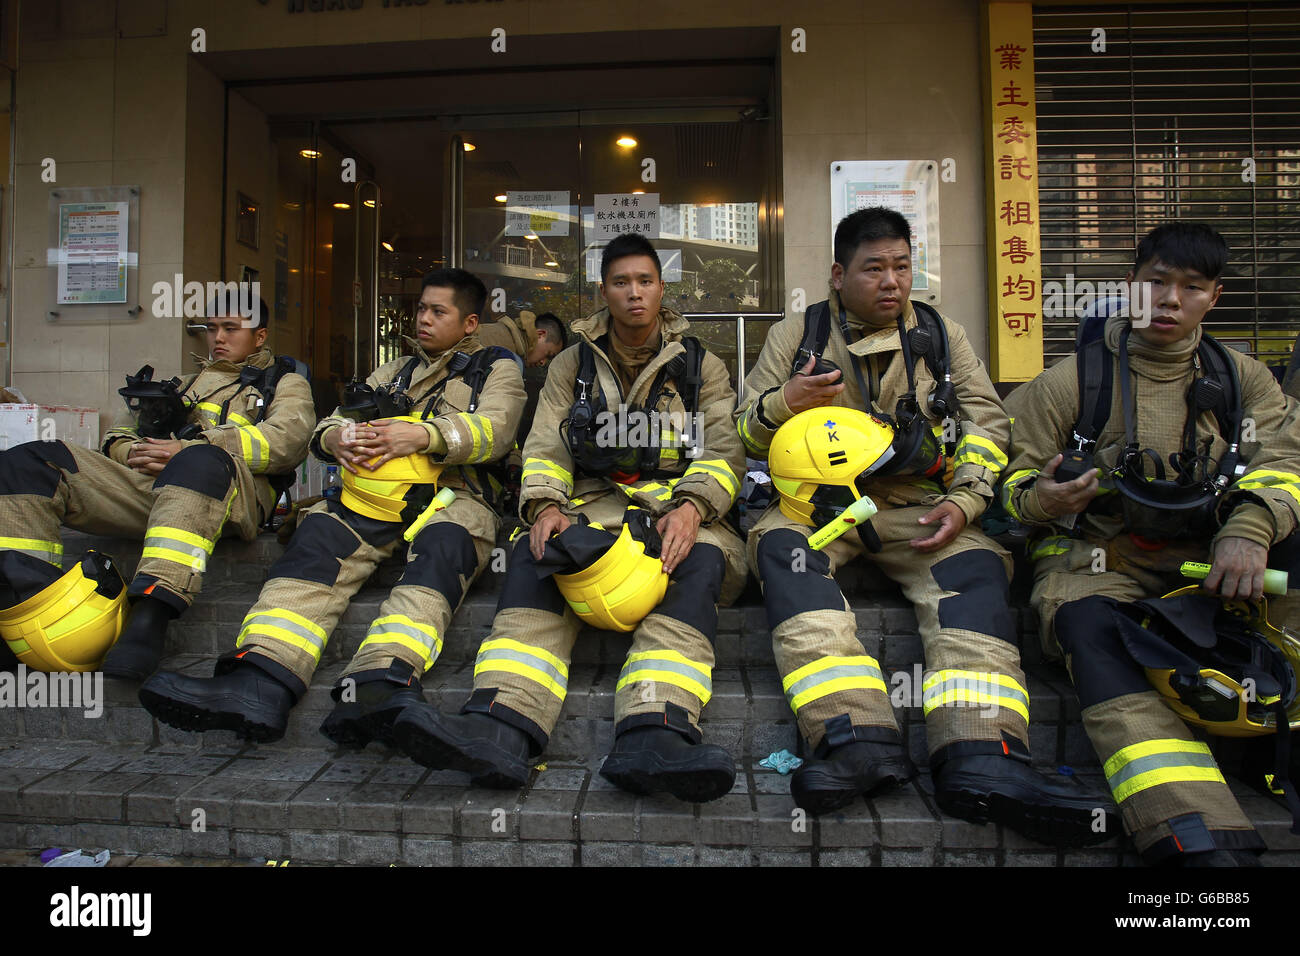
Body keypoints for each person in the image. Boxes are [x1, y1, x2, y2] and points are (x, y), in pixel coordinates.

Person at [734, 206, 1113, 845]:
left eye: (902, 267)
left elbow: (989, 426)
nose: (892, 282)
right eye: (874, 268)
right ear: (837, 273)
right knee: (783, 553)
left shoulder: (941, 335)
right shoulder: (796, 335)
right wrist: (782, 404)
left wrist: (966, 501)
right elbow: (744, 429)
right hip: (819, 506)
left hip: (921, 507)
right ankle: (857, 739)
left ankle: (982, 754)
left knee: (975, 572)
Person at [391, 233, 749, 803]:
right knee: (538, 554)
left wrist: (693, 507)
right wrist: (546, 506)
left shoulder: (702, 366)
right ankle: (500, 721)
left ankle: (656, 730)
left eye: (645, 281)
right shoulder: (569, 364)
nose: (634, 294)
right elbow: (545, 447)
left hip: (681, 516)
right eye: (620, 282)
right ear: (602, 291)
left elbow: (725, 450)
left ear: (662, 288)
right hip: (591, 511)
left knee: (699, 562)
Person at [1003, 222, 1300, 865]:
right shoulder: (1069, 383)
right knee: (1091, 631)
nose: (1169, 301)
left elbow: (1283, 463)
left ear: (1213, 299)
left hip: (1217, 560)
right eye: (1157, 282)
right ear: (1130, 287)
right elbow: (1014, 482)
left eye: (1191, 288)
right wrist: (1042, 500)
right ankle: (1194, 829)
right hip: (1097, 562)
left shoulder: (1245, 381)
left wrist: (1248, 530)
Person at [136, 269, 526, 745]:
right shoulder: (392, 371)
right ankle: (258, 678)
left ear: (468, 323)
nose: (423, 319)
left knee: (444, 551)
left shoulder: (497, 366)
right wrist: (336, 438)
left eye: (437, 312)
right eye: (421, 308)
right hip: (370, 498)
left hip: (456, 497)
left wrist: (425, 434)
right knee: (315, 541)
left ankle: (379, 684)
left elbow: (498, 429)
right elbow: (330, 422)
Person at [0, 294, 314, 679]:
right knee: (30, 460)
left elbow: (288, 442)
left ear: (260, 335)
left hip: (233, 498)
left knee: (198, 460)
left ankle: (150, 615)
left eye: (231, 329)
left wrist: (192, 447)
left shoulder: (285, 383)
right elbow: (116, 435)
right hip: (151, 491)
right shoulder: (177, 385)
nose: (217, 337)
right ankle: (23, 602)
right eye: (211, 328)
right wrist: (137, 451)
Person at [476, 309, 567, 368]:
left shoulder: (504, 337)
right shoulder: (503, 350)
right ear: (540, 334)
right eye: (548, 354)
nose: (543, 362)